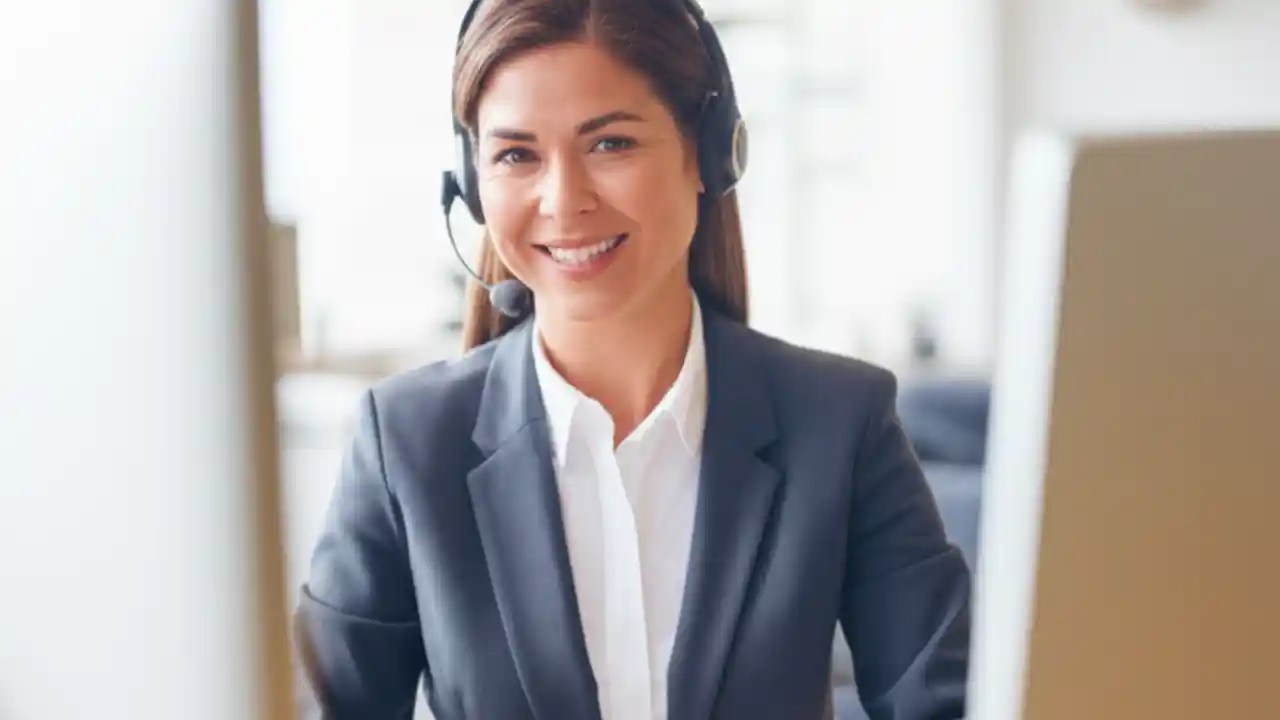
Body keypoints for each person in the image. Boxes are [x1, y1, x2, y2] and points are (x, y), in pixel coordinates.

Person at [294, 1, 970, 718]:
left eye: (610, 144)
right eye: (516, 155)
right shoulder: (405, 444)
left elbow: (950, 703)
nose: (563, 200)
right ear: (471, 182)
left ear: (709, 154)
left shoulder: (839, 423)